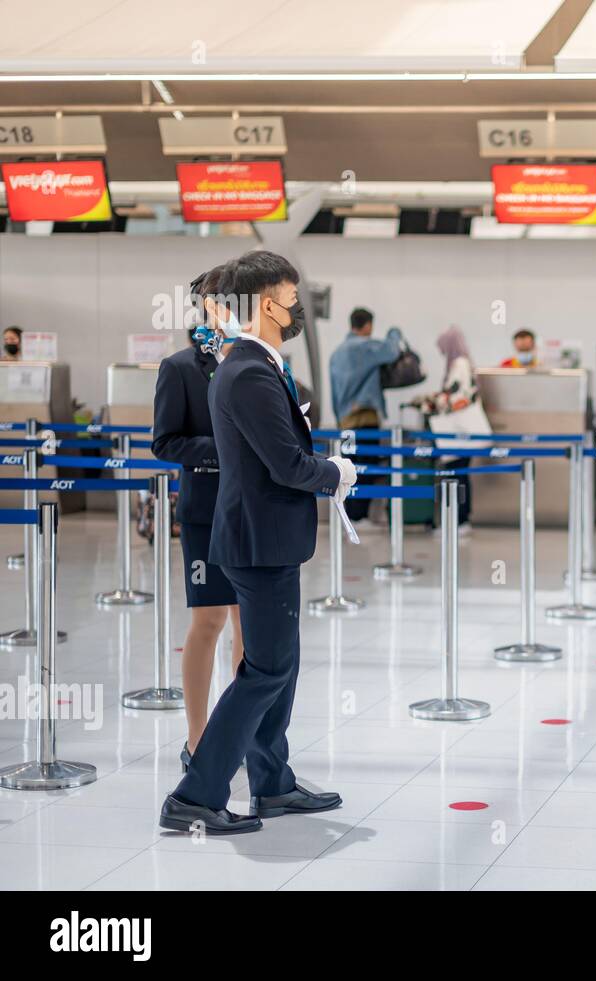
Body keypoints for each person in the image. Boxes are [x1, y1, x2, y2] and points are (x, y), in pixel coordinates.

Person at [159, 250, 356, 836]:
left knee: (280, 666)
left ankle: (271, 783)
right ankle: (197, 793)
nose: (298, 310)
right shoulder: (246, 371)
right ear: (268, 304)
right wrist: (336, 473)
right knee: (265, 671)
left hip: (267, 539)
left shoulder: (253, 366)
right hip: (257, 541)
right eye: (293, 300)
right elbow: (287, 465)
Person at [152, 263, 244, 769]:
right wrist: (224, 447)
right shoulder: (181, 368)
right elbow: (165, 442)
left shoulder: (264, 364)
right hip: (207, 511)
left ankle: (240, 736)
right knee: (208, 620)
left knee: (248, 626)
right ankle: (197, 739)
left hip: (254, 513)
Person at [328, 306, 404, 522]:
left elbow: (333, 392)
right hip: (365, 419)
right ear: (368, 325)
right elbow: (392, 351)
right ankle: (360, 517)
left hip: (345, 420)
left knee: (348, 469)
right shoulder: (366, 347)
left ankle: (349, 517)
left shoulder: (337, 353)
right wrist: (394, 333)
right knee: (366, 467)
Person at [421, 326, 491, 532]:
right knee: (459, 472)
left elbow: (458, 396)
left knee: (456, 473)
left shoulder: (459, 364)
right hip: (460, 431)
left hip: (459, 431)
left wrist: (434, 402)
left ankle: (459, 521)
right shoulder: (462, 363)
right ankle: (459, 520)